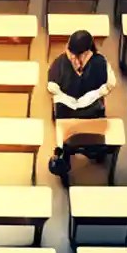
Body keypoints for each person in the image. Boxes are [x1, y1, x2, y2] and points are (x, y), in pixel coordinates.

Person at [47, 30, 117, 174]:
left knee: (85, 134)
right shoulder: (62, 62)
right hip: (78, 111)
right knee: (71, 136)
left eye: (76, 54)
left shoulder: (98, 62)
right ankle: (78, 152)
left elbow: (110, 83)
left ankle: (82, 152)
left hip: (79, 110)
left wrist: (94, 94)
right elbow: (52, 86)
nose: (74, 58)